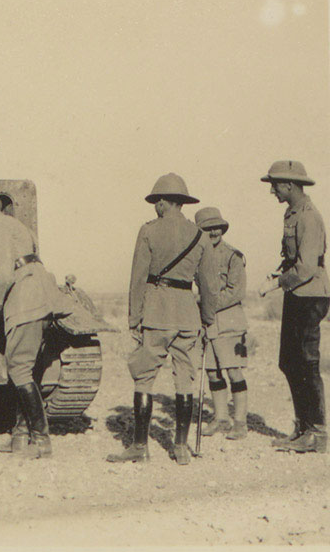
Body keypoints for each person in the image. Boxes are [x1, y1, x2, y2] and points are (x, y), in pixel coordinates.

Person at [106, 173, 214, 465]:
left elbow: (137, 278)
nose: (155, 206)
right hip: (187, 316)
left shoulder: (148, 231)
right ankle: (180, 447)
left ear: (167, 203)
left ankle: (140, 447)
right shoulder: (200, 235)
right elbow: (207, 285)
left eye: (158, 201)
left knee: (144, 378)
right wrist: (207, 319)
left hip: (156, 313)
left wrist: (134, 318)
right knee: (184, 381)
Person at [0, 195, 58, 459]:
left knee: (18, 368)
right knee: (26, 367)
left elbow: (3, 274)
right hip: (40, 294)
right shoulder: (16, 226)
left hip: (24, 301)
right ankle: (20, 436)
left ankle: (41, 442)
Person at [259, 160, 329, 454]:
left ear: (288, 185)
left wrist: (276, 284)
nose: (272, 190)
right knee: (289, 362)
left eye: (275, 185)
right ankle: (303, 427)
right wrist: (279, 273)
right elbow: (293, 260)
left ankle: (318, 432)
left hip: (310, 296)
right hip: (298, 294)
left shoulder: (309, 217)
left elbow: (306, 268)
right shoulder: (293, 214)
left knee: (306, 363)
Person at [194, 207, 250, 440]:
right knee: (213, 373)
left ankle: (240, 422)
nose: (213, 231)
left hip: (229, 322)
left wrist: (208, 305)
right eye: (207, 228)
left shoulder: (232, 256)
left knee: (233, 371)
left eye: (217, 227)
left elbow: (236, 292)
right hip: (207, 324)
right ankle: (221, 418)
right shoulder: (196, 257)